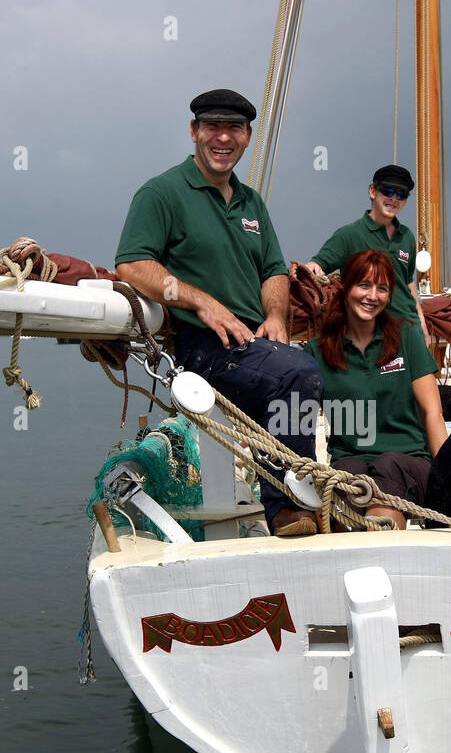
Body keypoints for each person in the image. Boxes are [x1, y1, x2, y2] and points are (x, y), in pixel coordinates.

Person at [114, 88, 324, 537]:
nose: (223, 138)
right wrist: (202, 301)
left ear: (247, 136)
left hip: (255, 344)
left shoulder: (252, 204)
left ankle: (348, 477)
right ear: (194, 131)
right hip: (205, 348)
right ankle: (286, 507)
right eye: (213, 127)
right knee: (298, 376)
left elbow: (274, 271)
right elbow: (133, 265)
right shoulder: (163, 193)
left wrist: (276, 316)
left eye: (234, 129)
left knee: (319, 375)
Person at [301, 250, 446, 530]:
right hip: (352, 465)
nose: (372, 296)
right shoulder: (317, 354)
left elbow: (433, 413)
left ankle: (380, 541)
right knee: (347, 469)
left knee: (389, 465)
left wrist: (449, 478)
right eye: (364, 285)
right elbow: (297, 418)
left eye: (382, 289)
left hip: (409, 463)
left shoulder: (407, 338)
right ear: (345, 288)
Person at [305, 165, 429, 340]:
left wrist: (421, 321)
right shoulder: (350, 234)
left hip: (410, 330)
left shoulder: (407, 237)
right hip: (372, 337)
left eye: (401, 194)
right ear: (372, 191)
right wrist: (313, 267)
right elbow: (318, 264)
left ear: (405, 201)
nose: (393, 198)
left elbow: (408, 283)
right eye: (388, 191)